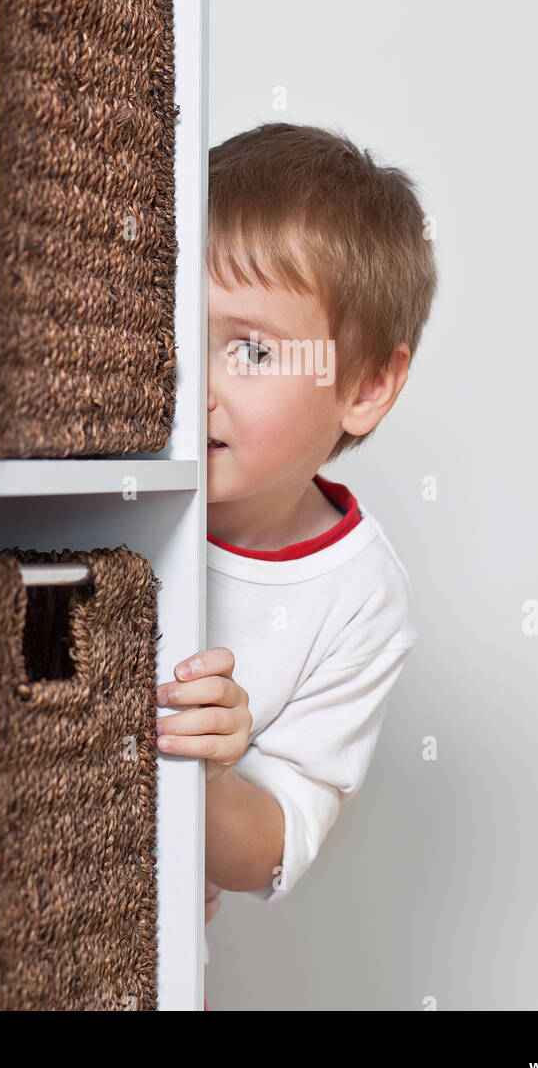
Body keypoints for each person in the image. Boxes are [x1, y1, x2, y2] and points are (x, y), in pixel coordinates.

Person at [153, 122, 438, 1006]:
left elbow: (268, 847)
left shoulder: (361, 599)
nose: (193, 382)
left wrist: (210, 776)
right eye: (176, 325)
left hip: (131, 945)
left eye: (252, 349)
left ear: (363, 388)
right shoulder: (106, 472)